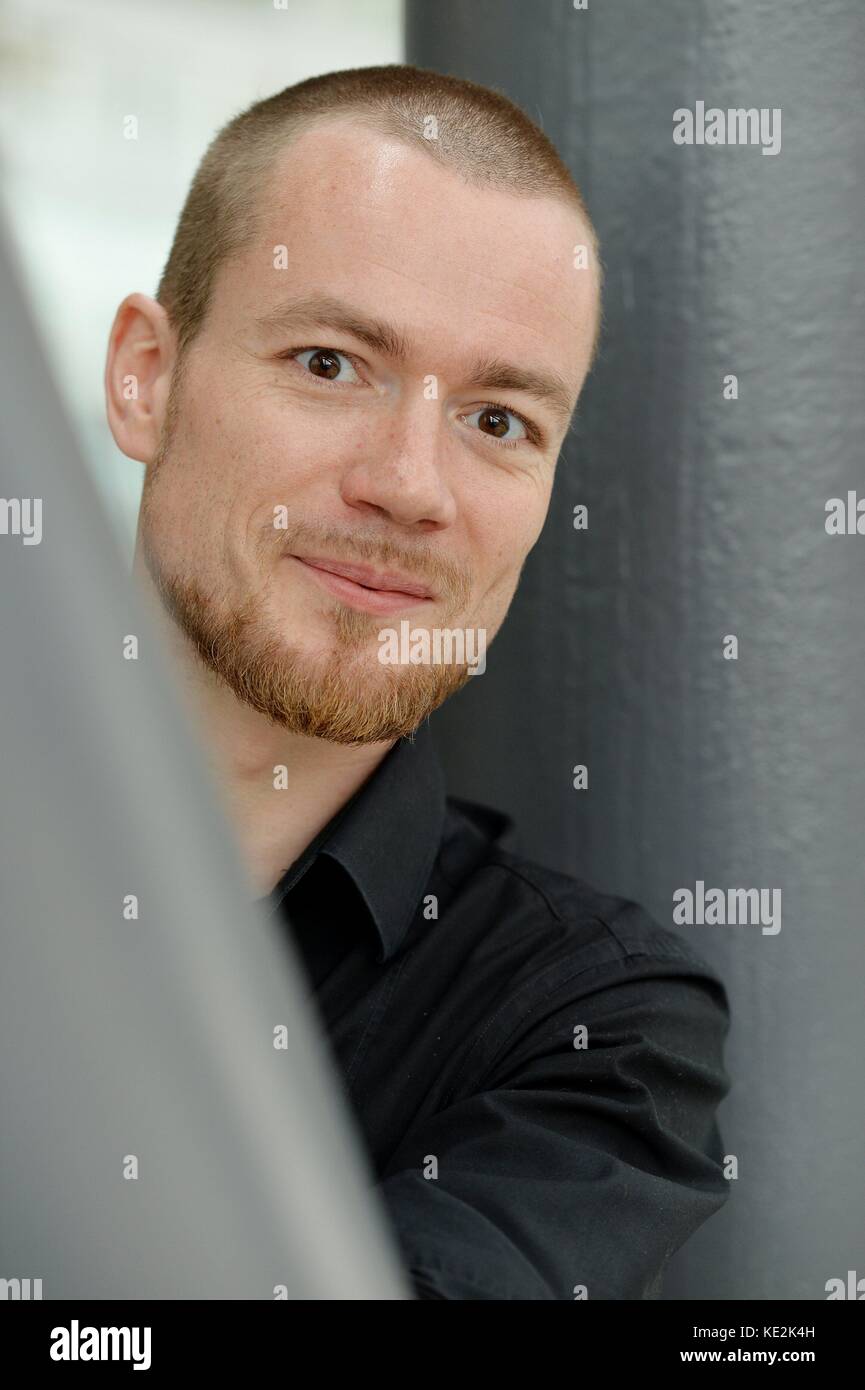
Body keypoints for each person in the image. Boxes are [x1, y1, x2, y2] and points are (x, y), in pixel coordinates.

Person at [104, 64, 731, 1300]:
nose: (410, 485)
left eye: (498, 420)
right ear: (147, 376)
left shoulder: (591, 1030)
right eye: (332, 363)